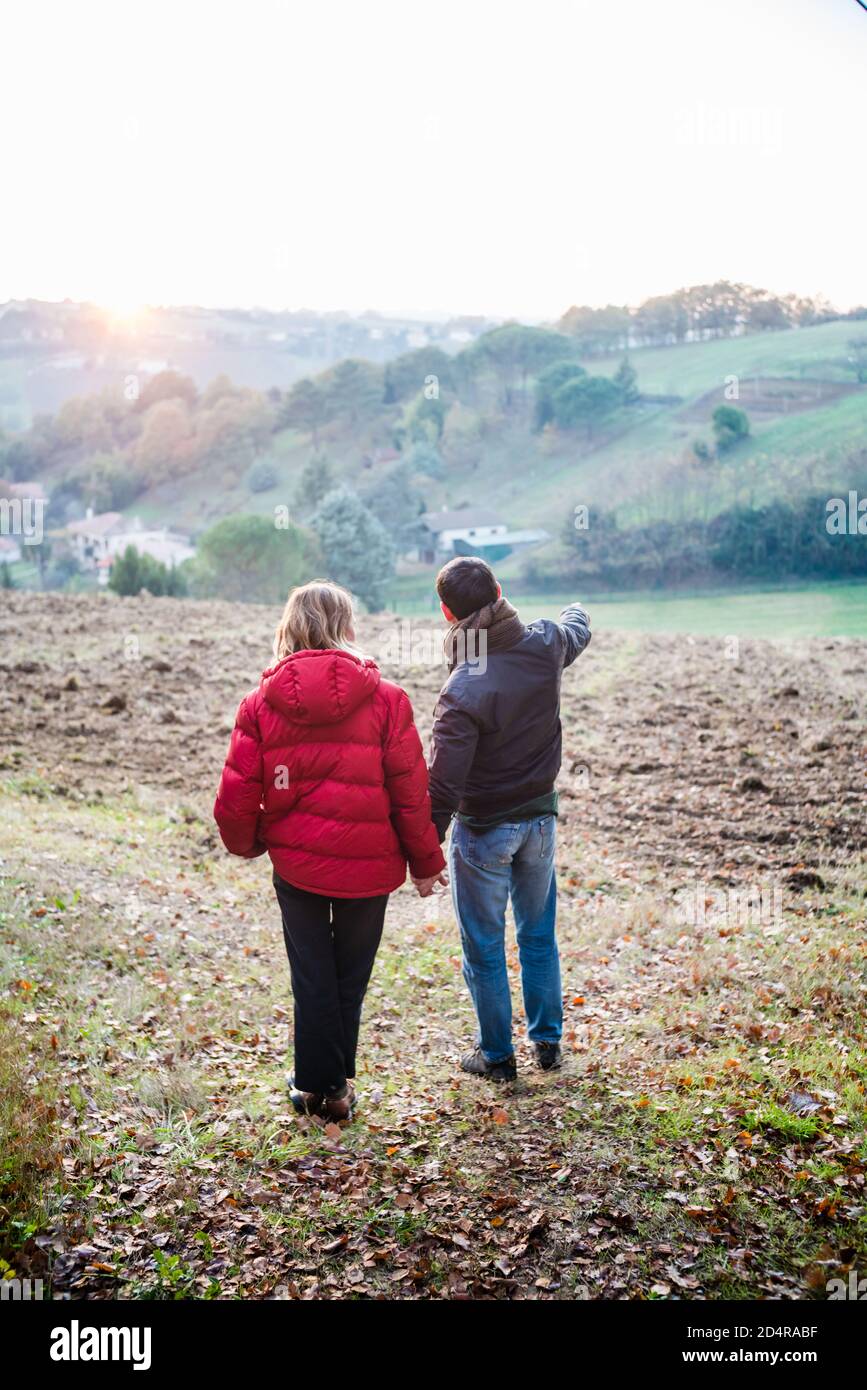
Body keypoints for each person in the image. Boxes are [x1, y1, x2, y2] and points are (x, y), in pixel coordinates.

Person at [214, 579, 447, 1122]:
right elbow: (411, 792)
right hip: (372, 865)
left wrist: (250, 843)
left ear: (291, 627)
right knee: (348, 976)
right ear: (346, 627)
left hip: (297, 864)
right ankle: (333, 1090)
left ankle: (320, 1088)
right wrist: (426, 863)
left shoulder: (259, 704)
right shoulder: (388, 701)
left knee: (313, 974)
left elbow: (236, 795)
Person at [428, 557, 591, 1080]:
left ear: (447, 613)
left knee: (484, 944)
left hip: (482, 832)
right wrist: (577, 608)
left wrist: (425, 848)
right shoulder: (545, 644)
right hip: (540, 823)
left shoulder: (461, 688)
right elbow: (575, 631)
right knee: (538, 935)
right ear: (499, 591)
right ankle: (548, 1044)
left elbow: (445, 786)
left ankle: (497, 1057)